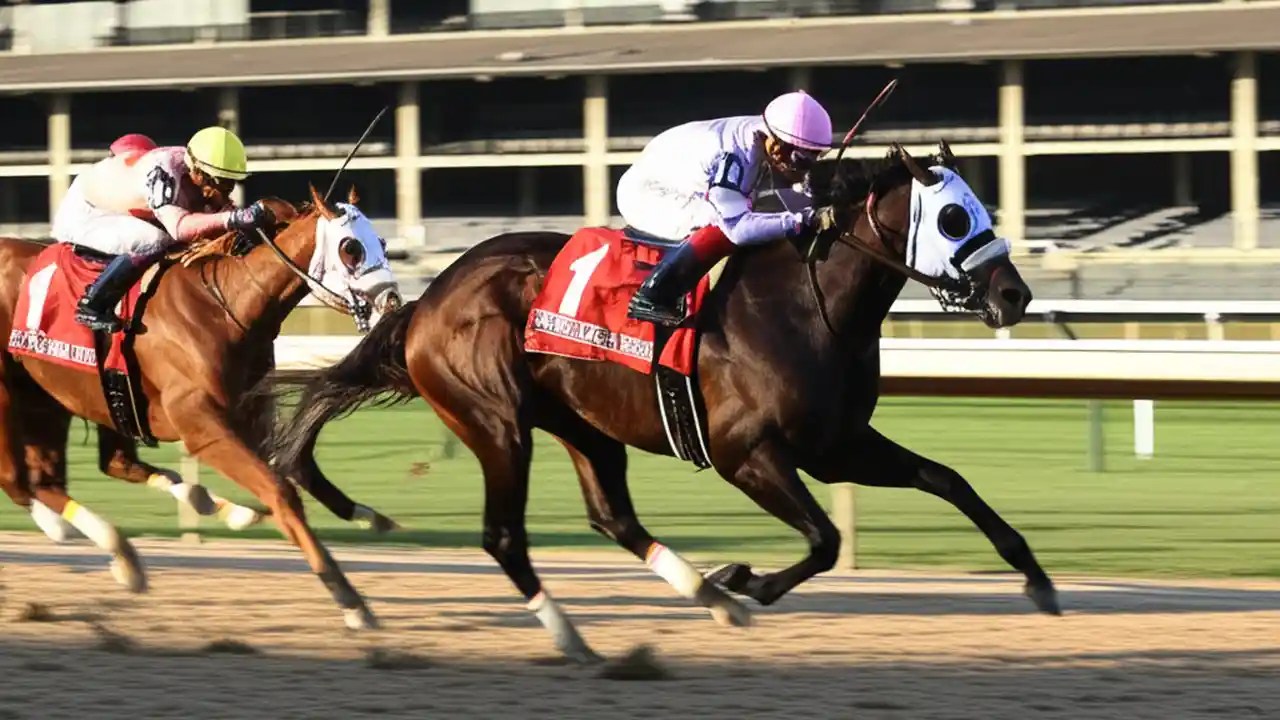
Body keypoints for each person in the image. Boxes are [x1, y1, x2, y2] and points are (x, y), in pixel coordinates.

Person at [617, 90, 842, 326]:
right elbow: (737, 230)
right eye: (802, 160)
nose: (808, 167)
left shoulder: (768, 135)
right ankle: (652, 296)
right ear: (776, 146)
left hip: (682, 180)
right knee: (721, 226)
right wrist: (802, 220)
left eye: (816, 157)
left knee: (761, 213)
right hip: (648, 195)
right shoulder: (734, 155)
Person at [51, 126, 275, 333]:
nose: (221, 192)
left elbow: (220, 213)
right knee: (156, 239)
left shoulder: (198, 171)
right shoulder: (163, 171)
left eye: (229, 183)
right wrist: (235, 218)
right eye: (218, 182)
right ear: (197, 171)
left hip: (120, 206)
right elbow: (180, 229)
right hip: (87, 213)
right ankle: (92, 305)